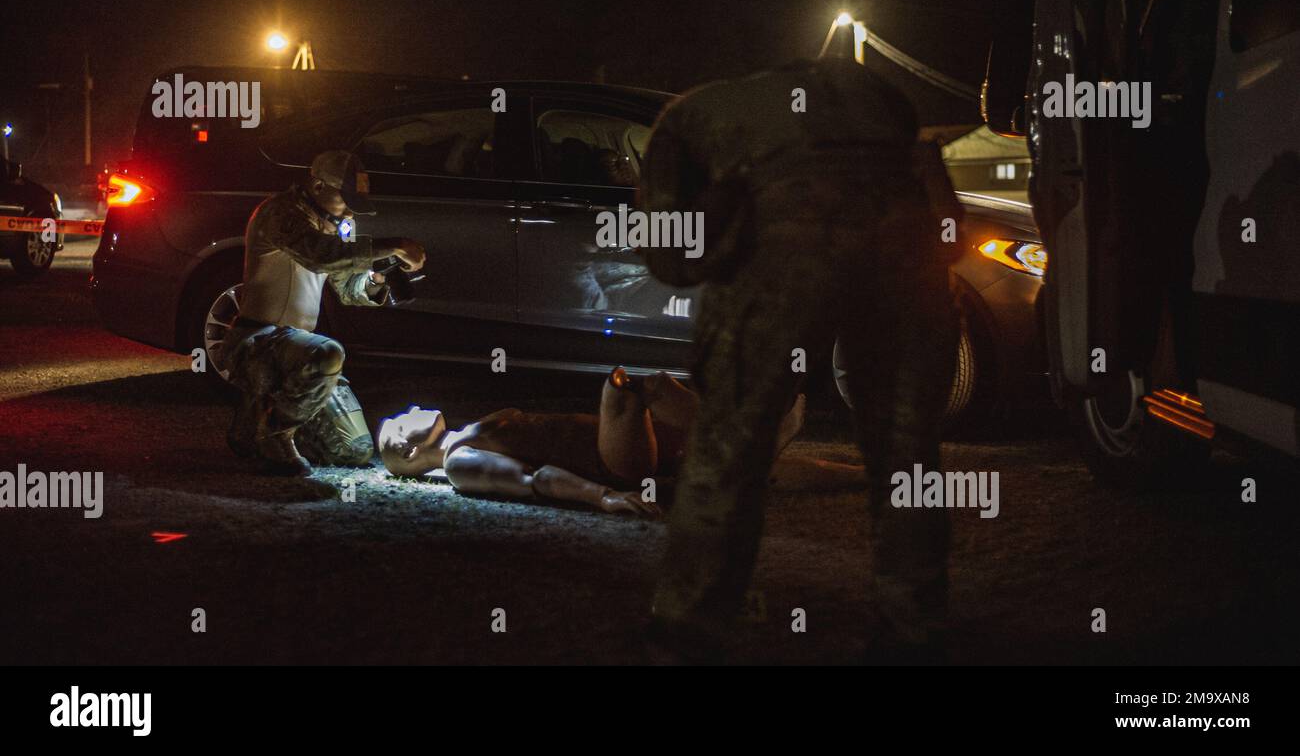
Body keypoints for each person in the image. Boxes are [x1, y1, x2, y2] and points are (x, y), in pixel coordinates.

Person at [639, 45, 962, 662]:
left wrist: (724, 252)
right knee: (906, 452)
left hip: (784, 234)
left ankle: (687, 630)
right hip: (905, 233)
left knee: (730, 445)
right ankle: (915, 627)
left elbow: (667, 254)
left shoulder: (684, 120)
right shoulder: (873, 97)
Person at [225, 150, 426, 476]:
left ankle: (254, 424)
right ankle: (275, 434)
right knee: (329, 353)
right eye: (342, 198)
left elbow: (346, 287)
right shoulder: (281, 213)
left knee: (355, 449)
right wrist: (392, 245)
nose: (347, 209)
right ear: (317, 186)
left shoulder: (337, 223)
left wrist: (375, 278)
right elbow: (320, 256)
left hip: (295, 348)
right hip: (257, 341)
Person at [378, 368, 806, 516]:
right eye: (400, 422)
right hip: (610, 462)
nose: (409, 408)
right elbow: (536, 480)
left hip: (626, 447)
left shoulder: (466, 435)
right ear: (409, 451)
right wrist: (603, 498)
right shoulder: (458, 463)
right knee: (632, 388)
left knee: (761, 474)